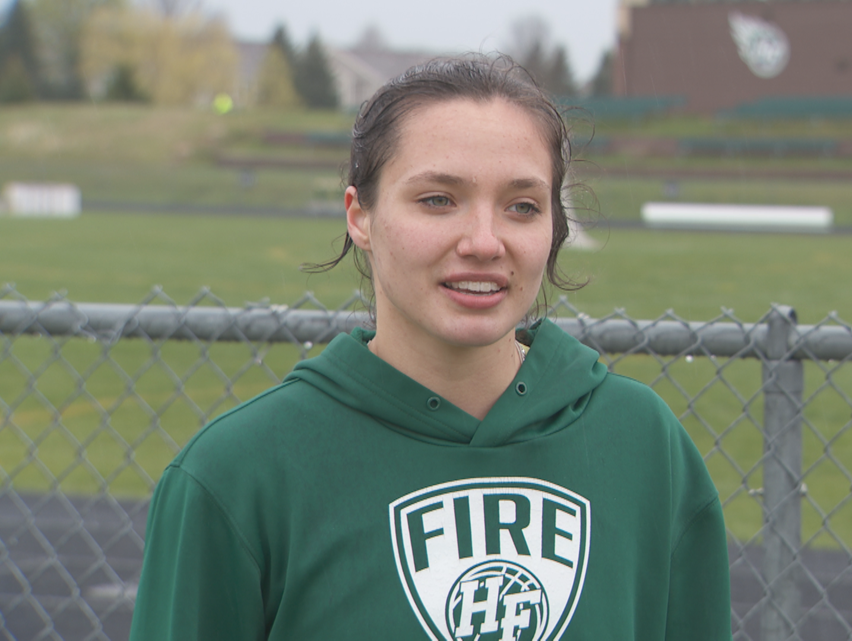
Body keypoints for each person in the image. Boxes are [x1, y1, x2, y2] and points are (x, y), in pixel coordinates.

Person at [130, 55, 731, 640]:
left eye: (522, 207)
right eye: (438, 200)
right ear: (359, 216)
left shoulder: (643, 445)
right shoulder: (236, 476)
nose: (484, 242)